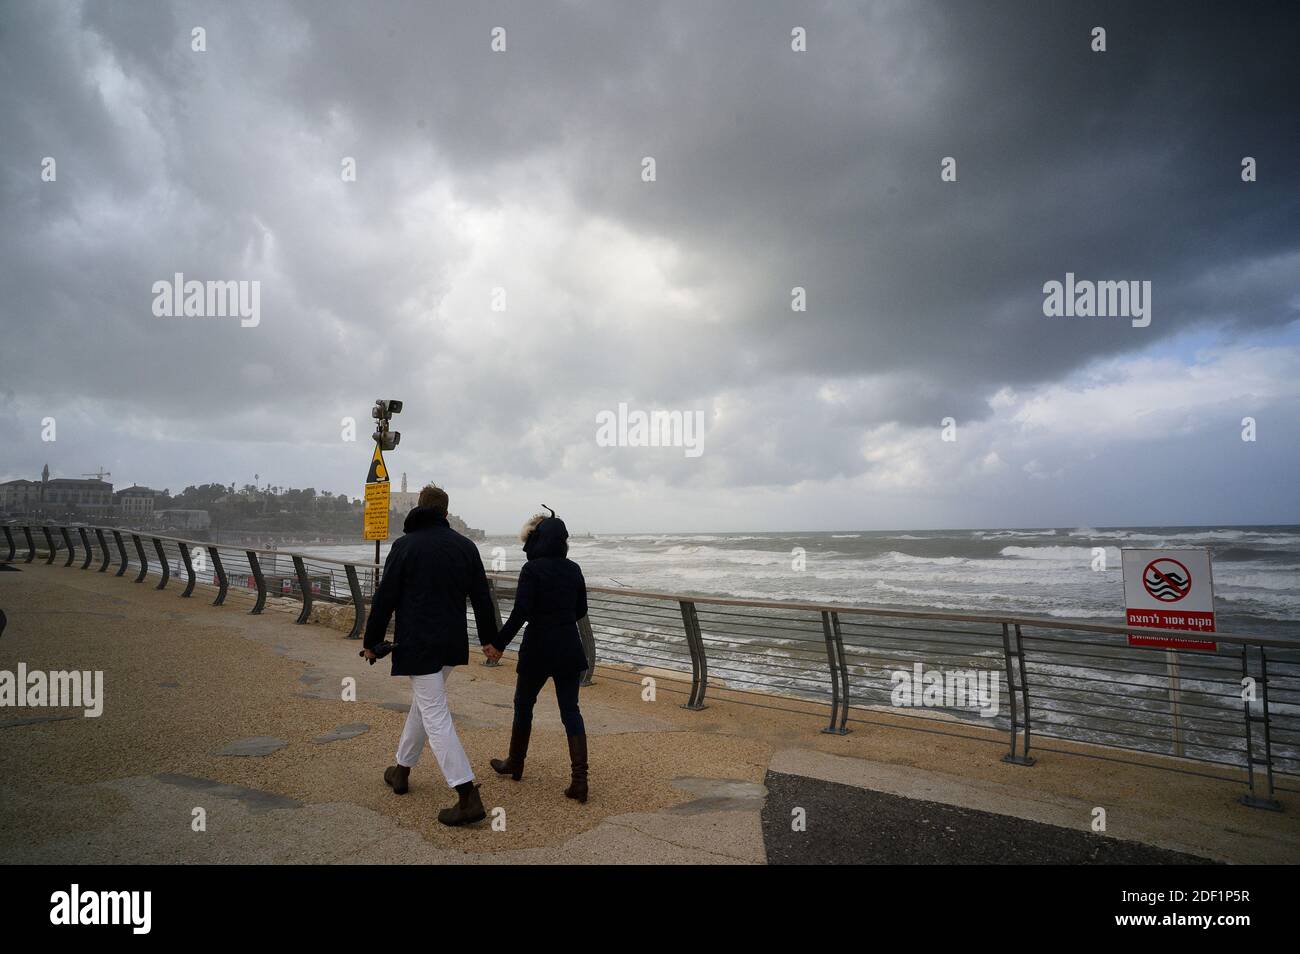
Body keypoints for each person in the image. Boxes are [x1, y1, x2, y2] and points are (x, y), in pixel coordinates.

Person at [363, 484, 498, 826]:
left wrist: (371, 640)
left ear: (420, 507)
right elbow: (482, 598)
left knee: (434, 712)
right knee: (424, 706)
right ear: (446, 512)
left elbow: (385, 597)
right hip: (451, 643)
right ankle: (401, 770)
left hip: (418, 644)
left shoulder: (405, 546)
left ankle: (467, 794)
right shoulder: (465, 547)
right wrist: (489, 640)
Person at [485, 507, 591, 802]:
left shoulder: (532, 570)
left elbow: (521, 612)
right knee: (570, 710)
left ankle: (515, 762)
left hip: (539, 646)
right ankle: (579, 781)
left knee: (523, 704)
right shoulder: (574, 569)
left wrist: (499, 643)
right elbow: (581, 610)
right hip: (569, 645)